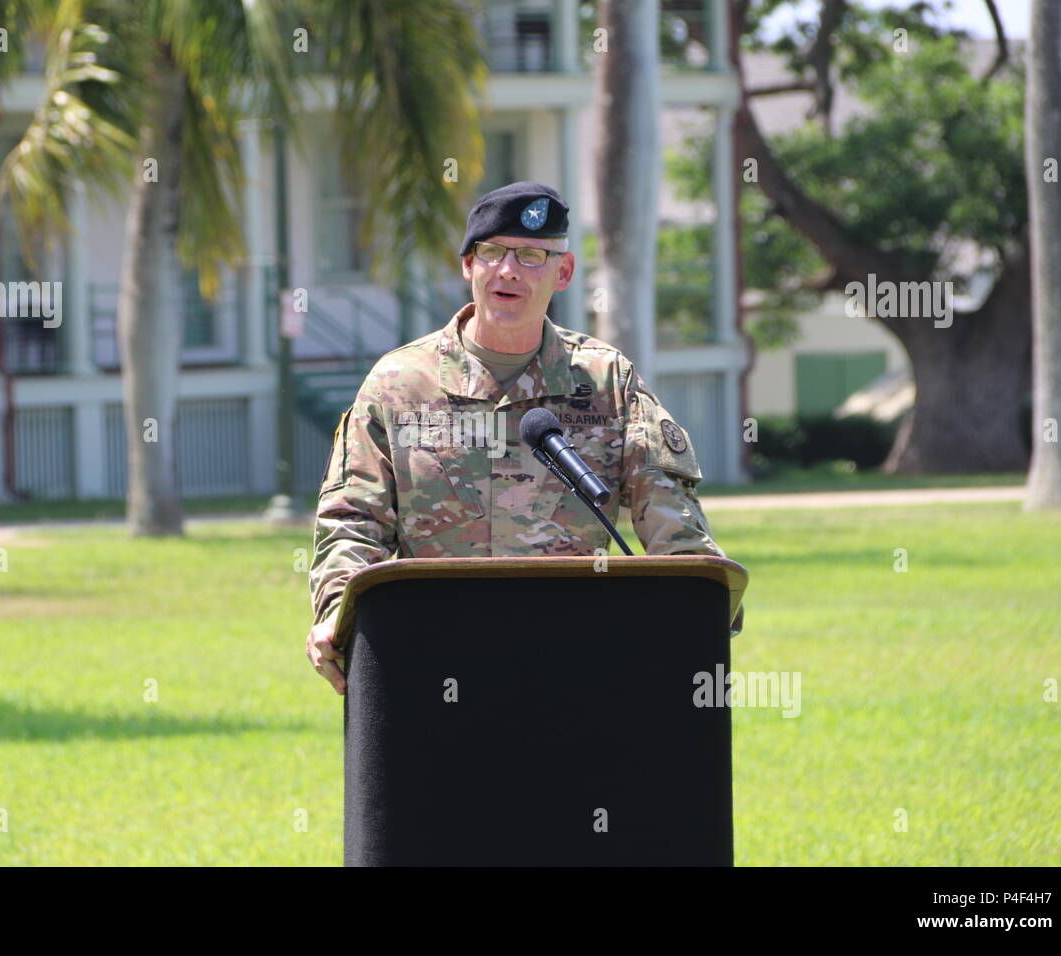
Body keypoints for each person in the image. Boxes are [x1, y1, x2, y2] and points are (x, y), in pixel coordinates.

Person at [305, 181, 741, 694]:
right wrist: (338, 614)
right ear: (468, 265)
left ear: (564, 272)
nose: (508, 270)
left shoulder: (606, 382)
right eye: (492, 252)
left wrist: (700, 608)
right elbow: (353, 520)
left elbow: (673, 522)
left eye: (532, 256)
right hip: (430, 665)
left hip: (576, 667)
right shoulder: (398, 385)